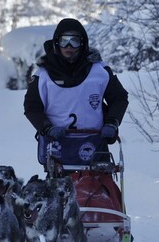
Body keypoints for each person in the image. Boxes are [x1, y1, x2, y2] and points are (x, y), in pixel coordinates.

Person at [23, 18, 129, 147]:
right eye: (64, 41)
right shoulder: (43, 75)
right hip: (57, 144)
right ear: (56, 42)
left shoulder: (99, 71)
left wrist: (112, 122)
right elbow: (32, 107)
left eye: (74, 41)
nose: (69, 46)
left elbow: (119, 98)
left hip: (94, 142)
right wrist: (47, 128)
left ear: (82, 43)